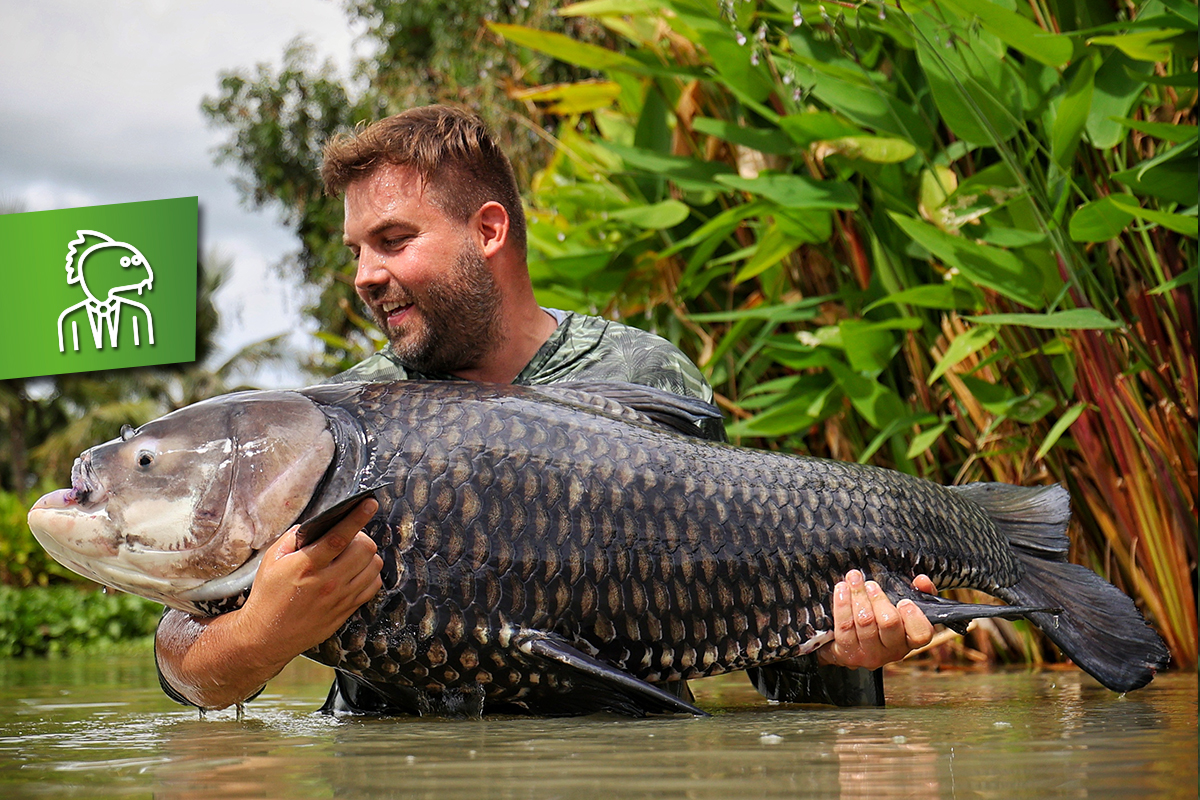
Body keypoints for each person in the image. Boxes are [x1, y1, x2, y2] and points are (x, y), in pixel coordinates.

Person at [155, 105, 935, 714]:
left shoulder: (644, 374)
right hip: (394, 766)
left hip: (613, 761)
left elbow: (762, 650)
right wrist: (264, 634)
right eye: (356, 250)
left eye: (392, 240)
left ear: (488, 230)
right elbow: (181, 663)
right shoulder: (341, 421)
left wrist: (843, 654)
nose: (364, 274)